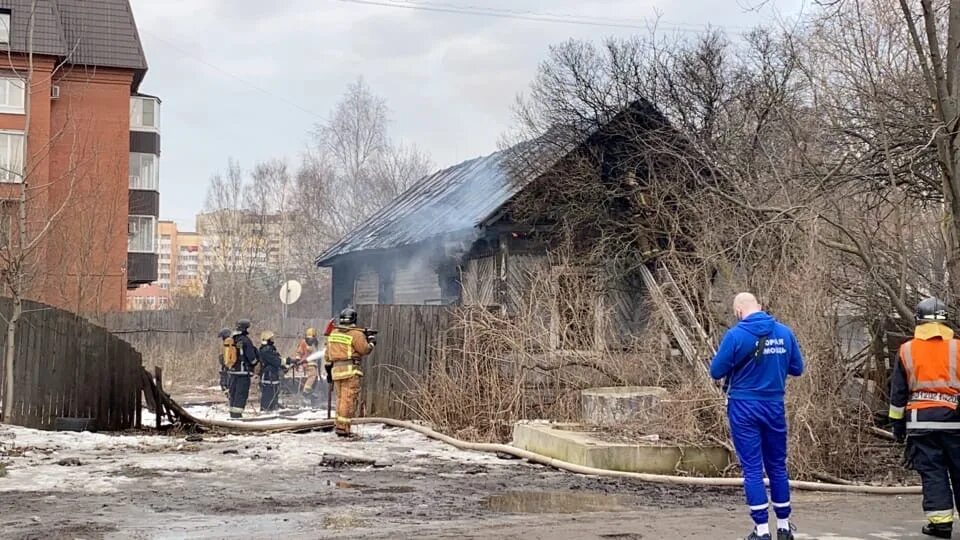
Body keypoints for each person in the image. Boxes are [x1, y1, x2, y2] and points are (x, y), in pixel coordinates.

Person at [710, 293, 804, 540]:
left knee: (753, 468)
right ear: (760, 307)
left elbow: (716, 370)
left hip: (743, 406)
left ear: (739, 311)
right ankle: (784, 526)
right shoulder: (784, 333)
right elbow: (797, 368)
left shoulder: (735, 336)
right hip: (774, 405)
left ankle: (762, 530)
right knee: (777, 465)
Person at [889, 297, 960, 539]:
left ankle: (941, 524)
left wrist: (897, 426)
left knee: (933, 472)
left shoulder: (907, 350)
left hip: (921, 422)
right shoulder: (958, 348)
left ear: (919, 321)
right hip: (955, 420)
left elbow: (898, 393)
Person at [324, 308, 375, 438]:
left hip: (336, 372)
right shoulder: (356, 334)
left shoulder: (333, 333)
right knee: (348, 400)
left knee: (341, 399)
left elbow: (327, 356)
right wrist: (371, 343)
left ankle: (339, 425)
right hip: (350, 371)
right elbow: (364, 350)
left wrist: (329, 373)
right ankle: (343, 428)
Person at [228, 319, 259, 419]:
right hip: (243, 372)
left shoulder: (232, 339)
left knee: (233, 393)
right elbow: (251, 358)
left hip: (233, 371)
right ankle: (237, 415)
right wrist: (256, 362)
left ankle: (232, 413)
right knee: (241, 394)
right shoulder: (246, 340)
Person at [258, 330, 283, 412]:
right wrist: (288, 361)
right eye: (271, 338)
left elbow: (278, 359)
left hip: (273, 375)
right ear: (267, 339)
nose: (273, 340)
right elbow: (276, 361)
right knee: (268, 393)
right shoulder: (266, 350)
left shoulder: (271, 349)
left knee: (274, 392)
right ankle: (265, 410)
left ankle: (273, 408)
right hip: (268, 375)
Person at [297, 327, 322, 405]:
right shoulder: (303, 342)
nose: (310, 340)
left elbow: (318, 355)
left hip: (314, 364)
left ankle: (311, 392)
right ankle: (305, 392)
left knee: (315, 378)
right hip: (307, 363)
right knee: (312, 376)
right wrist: (298, 361)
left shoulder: (315, 344)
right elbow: (299, 352)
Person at [217, 328, 233, 399]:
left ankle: (230, 398)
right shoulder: (226, 343)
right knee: (224, 383)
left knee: (225, 383)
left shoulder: (230, 343)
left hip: (228, 367)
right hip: (225, 366)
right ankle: (229, 397)